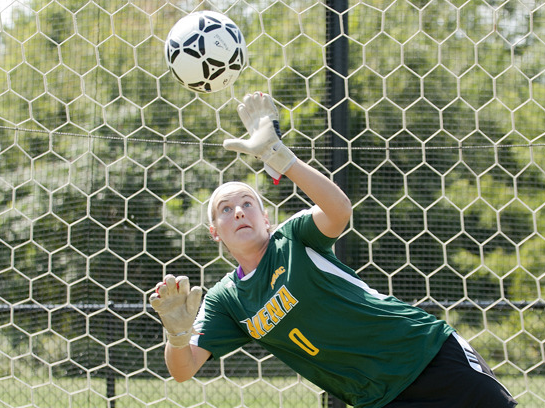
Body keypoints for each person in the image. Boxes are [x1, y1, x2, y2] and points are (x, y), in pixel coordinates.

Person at [148, 91, 517, 408]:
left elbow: (339, 211)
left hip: (427, 355)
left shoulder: (291, 238)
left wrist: (281, 157)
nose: (238, 211)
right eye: (225, 209)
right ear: (215, 232)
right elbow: (183, 370)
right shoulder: (226, 300)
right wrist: (177, 336)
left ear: (267, 219)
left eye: (247, 202)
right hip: (379, 398)